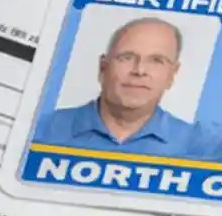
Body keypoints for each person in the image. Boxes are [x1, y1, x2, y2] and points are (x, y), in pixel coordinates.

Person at [33, 17, 194, 156]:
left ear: (172, 75)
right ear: (103, 68)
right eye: (126, 58)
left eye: (156, 60)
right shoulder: (39, 129)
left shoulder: (195, 146)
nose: (139, 70)